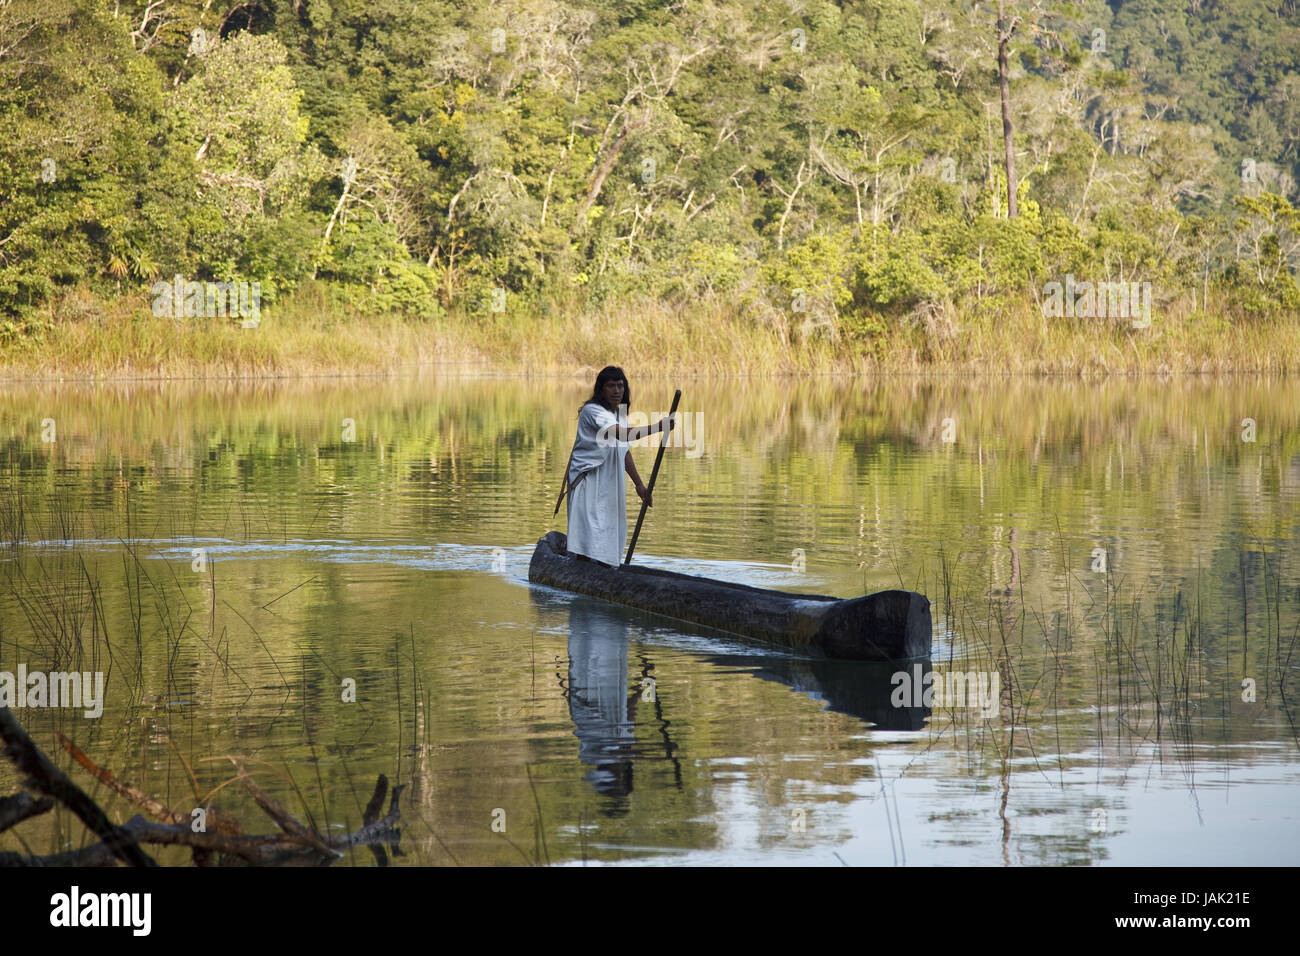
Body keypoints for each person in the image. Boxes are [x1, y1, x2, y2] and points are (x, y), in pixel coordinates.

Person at [559, 366, 675, 567]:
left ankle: (604, 570)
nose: (616, 390)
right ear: (601, 389)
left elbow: (623, 450)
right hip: (589, 482)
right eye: (611, 386)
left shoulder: (619, 414)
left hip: (609, 484)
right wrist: (658, 427)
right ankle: (583, 569)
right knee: (588, 536)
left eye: (620, 386)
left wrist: (639, 485)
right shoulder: (593, 411)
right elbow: (621, 434)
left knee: (608, 533)